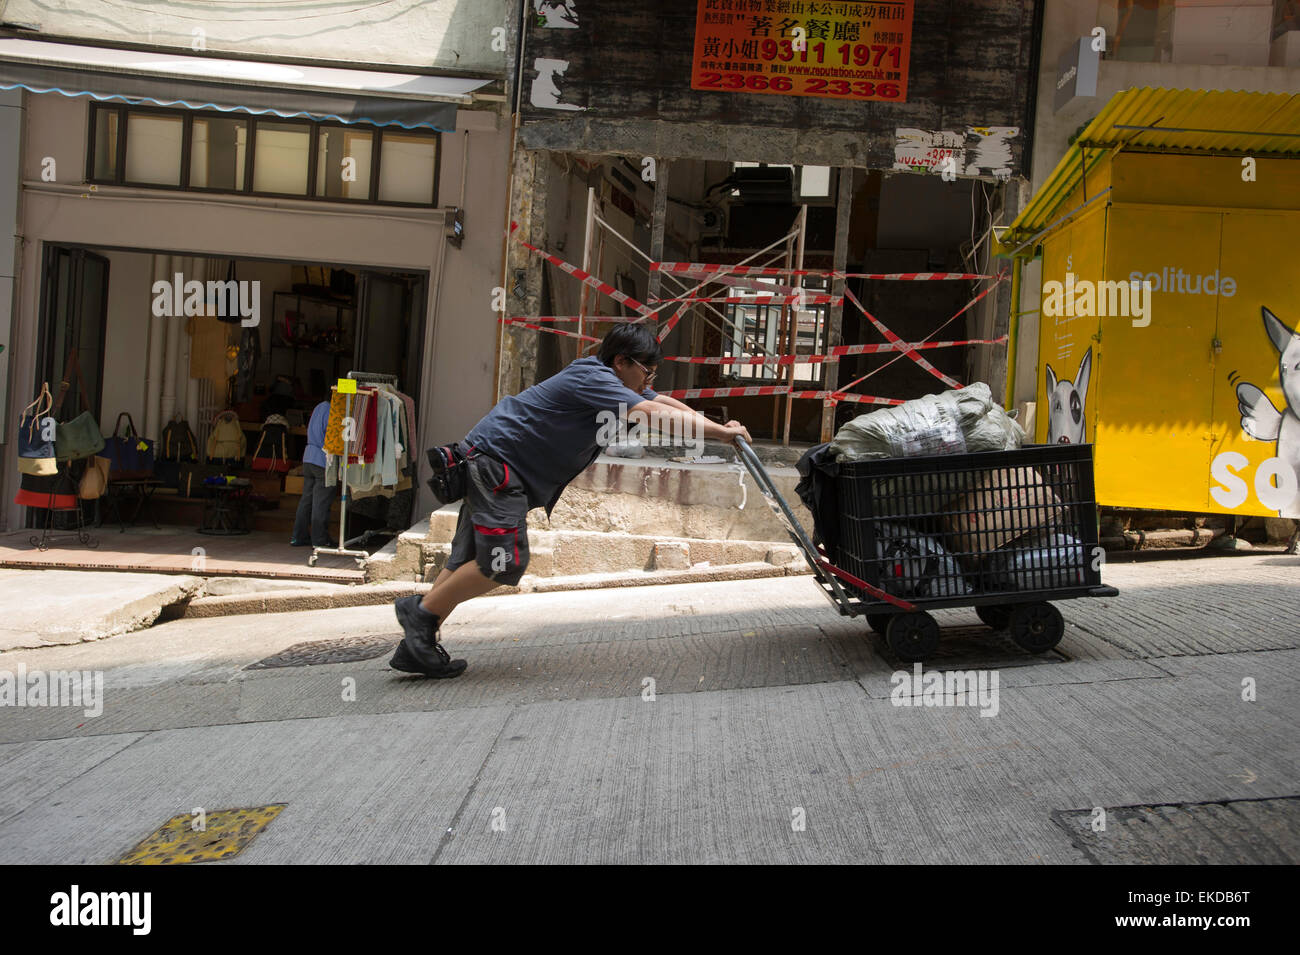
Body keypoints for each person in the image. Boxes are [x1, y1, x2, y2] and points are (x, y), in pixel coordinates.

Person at [392, 322, 752, 678]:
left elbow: (660, 403)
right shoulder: (594, 380)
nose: (648, 382)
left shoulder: (609, 380)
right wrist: (721, 434)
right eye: (646, 372)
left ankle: (416, 646)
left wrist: (724, 430)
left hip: (491, 461)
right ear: (621, 361)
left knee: (467, 560)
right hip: (498, 466)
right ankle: (420, 615)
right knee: (504, 562)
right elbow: (654, 414)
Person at [290, 399, 338, 548]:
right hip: (323, 459)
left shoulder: (319, 406)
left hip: (309, 456)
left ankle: (298, 536)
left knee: (307, 500)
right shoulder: (334, 411)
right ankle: (319, 540)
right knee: (321, 502)